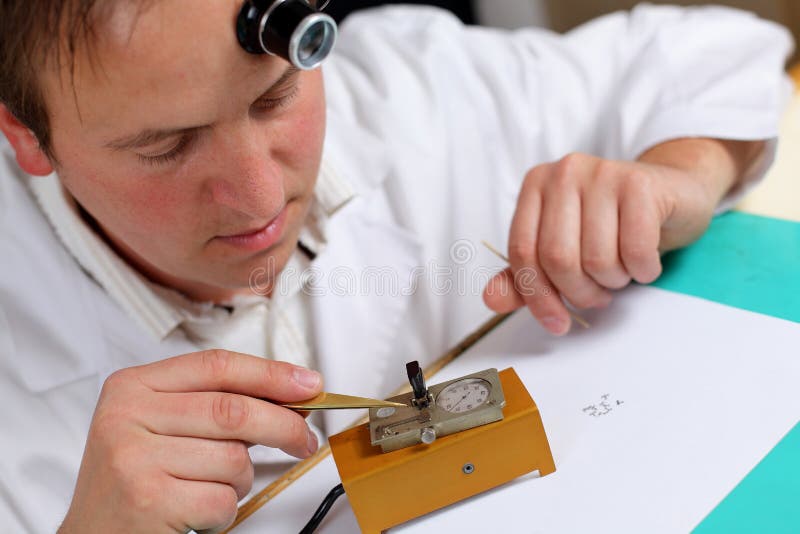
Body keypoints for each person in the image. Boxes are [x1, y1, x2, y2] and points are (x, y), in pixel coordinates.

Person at [0, 1, 791, 532]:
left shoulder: (414, 88)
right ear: (26, 137)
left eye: (275, 99)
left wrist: (676, 174)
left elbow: (723, 53)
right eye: (163, 147)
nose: (261, 196)